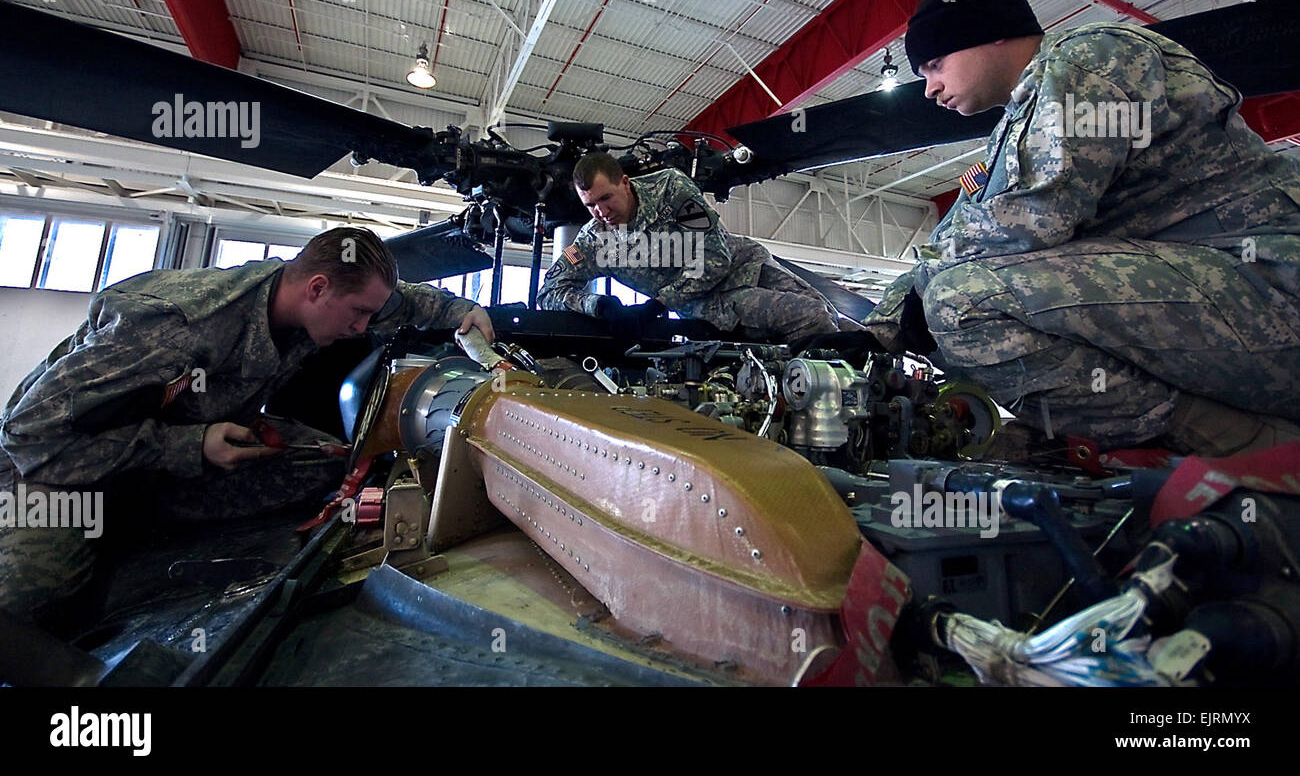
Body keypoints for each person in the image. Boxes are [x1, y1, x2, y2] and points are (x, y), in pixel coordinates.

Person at [862, 0, 1300, 456]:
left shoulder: (1089, 57)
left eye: (935, 64)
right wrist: (877, 331)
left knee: (961, 303)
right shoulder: (1020, 122)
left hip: (1271, 287)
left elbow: (1029, 220)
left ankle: (1246, 443)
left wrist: (910, 312)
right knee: (944, 305)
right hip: (1229, 294)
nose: (929, 88)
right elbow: (957, 234)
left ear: (992, 32)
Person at [0, 226, 493, 624]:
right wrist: (189, 447)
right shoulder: (175, 326)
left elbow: (398, 301)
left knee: (326, 466)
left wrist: (462, 310)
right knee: (30, 593)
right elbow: (30, 433)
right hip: (53, 470)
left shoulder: (301, 299)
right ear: (317, 288)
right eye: (358, 314)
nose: (362, 328)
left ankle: (142, 511)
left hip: (181, 450)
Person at [537, 152, 850, 343]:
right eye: (590, 205)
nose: (601, 211)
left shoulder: (670, 188)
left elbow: (715, 256)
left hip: (743, 263)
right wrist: (599, 306)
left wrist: (658, 305)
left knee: (838, 321)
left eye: (606, 198)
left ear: (625, 183)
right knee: (814, 318)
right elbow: (549, 291)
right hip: (713, 301)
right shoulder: (594, 241)